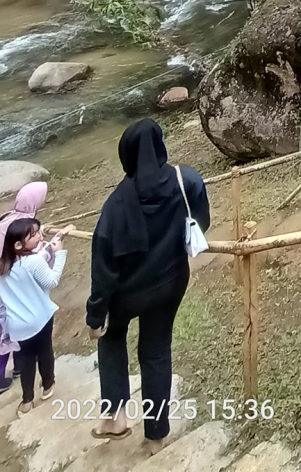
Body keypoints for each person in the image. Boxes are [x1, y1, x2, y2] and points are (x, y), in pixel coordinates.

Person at [87, 119, 210, 451]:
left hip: (125, 296)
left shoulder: (115, 207)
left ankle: (115, 417)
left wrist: (95, 315)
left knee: (111, 338)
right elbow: (202, 223)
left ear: (126, 155)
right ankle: (155, 437)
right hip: (169, 285)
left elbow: (103, 266)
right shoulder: (188, 181)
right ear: (160, 146)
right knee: (156, 353)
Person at [0, 217, 69, 414]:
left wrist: (45, 237)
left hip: (17, 326)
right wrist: (60, 252)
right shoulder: (33, 262)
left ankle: (27, 399)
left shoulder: (4, 265)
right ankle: (48, 387)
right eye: (34, 234)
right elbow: (52, 281)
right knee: (45, 351)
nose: (39, 236)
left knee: (26, 360)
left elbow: (37, 250)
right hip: (41, 319)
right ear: (18, 244)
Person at [0, 181, 51, 394]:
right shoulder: (22, 224)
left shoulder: (8, 217)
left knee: (11, 328)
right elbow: (36, 262)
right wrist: (48, 249)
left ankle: (20, 367)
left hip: (6, 285)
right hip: (13, 285)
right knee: (6, 330)